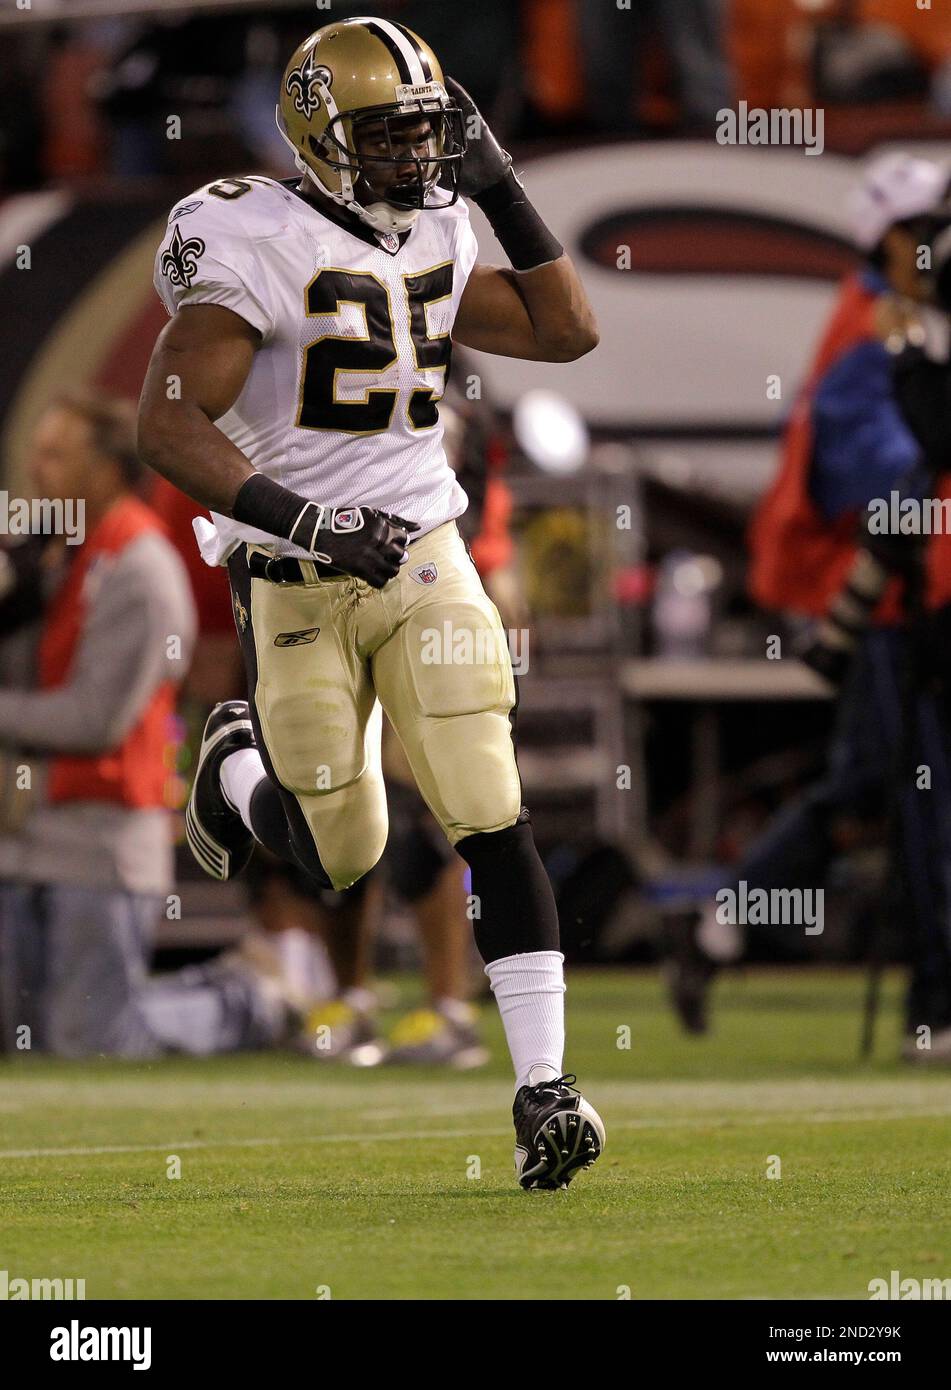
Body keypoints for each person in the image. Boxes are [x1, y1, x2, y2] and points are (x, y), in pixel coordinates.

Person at [138, 16, 604, 1190]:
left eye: (428, 133)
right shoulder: (252, 235)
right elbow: (167, 421)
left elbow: (568, 328)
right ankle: (235, 764)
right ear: (320, 134)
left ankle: (543, 1086)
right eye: (388, 134)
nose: (417, 155)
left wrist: (502, 190)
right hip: (296, 575)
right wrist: (307, 520)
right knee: (344, 852)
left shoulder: (443, 222)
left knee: (486, 800)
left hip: (421, 553)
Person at [670, 153, 951, 1052]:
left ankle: (723, 921)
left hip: (899, 595)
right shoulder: (878, 331)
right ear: (898, 238)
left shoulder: (899, 319)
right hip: (884, 600)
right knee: (917, 793)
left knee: (875, 783)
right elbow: (882, 488)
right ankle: (931, 1000)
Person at [0, 392, 291, 1058]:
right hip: (25, 833)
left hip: (100, 839)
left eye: (55, 456)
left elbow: (95, 719)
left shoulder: (140, 565)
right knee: (28, 1040)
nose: (37, 470)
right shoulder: (53, 555)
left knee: (93, 1040)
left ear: (104, 468)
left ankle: (246, 1001)